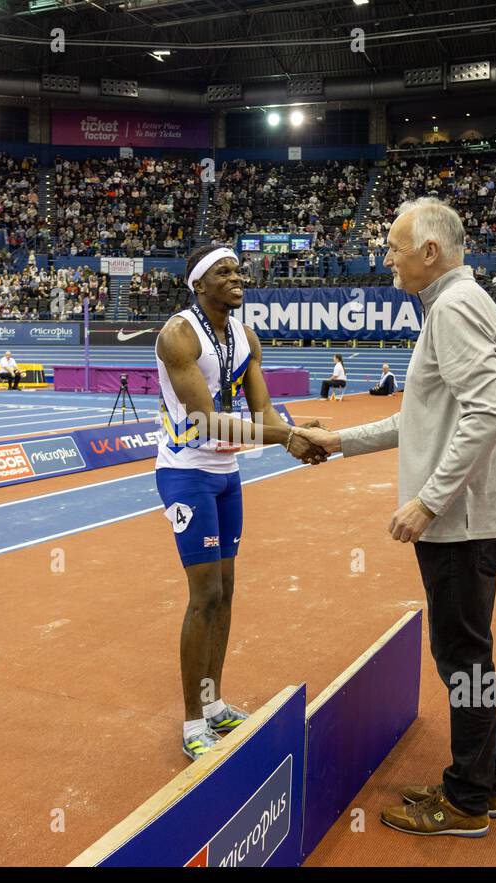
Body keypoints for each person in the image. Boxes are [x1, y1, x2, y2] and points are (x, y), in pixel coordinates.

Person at [297, 198, 496, 838]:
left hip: (463, 525)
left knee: (465, 663)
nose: (386, 258)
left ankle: (468, 801)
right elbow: (421, 421)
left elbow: (485, 417)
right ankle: (484, 785)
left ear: (430, 251)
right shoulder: (459, 305)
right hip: (473, 520)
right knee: (468, 658)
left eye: (395, 246)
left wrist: (430, 500)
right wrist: (339, 442)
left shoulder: (452, 310)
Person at [155, 243, 327, 760]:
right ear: (199, 284)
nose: (237, 277)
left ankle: (214, 706)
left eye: (238, 269)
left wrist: (297, 433)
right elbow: (205, 421)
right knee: (204, 595)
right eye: (224, 272)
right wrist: (284, 438)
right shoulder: (178, 335)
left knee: (226, 593)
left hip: (226, 472)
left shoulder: (244, 336)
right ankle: (191, 724)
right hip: (186, 473)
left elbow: (264, 406)